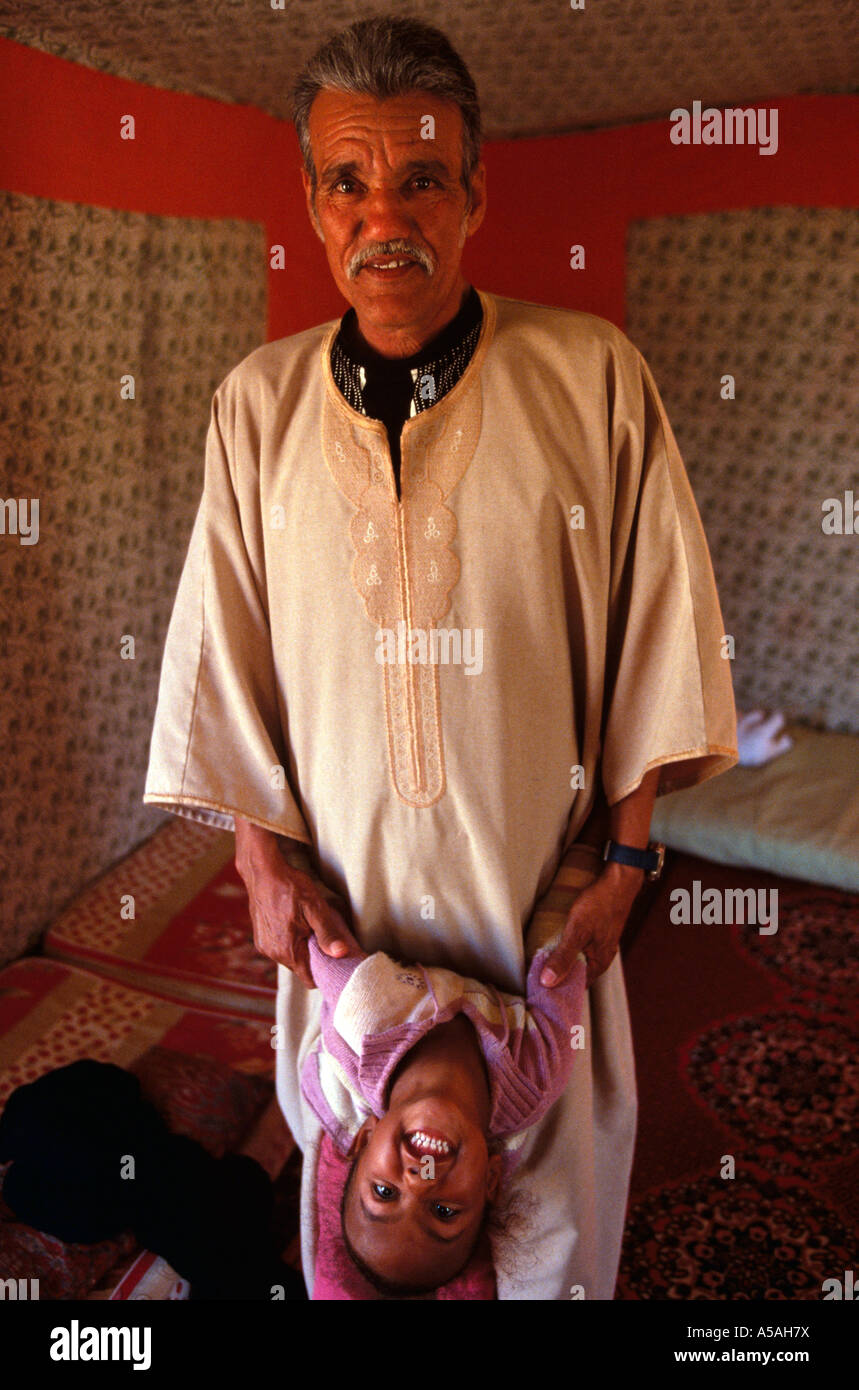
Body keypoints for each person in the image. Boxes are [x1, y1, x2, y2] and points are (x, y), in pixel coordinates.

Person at [143, 16, 738, 1299]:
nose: (383, 213)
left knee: (548, 1239)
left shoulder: (593, 379)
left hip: (542, 915)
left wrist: (626, 869)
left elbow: (662, 634)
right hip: (344, 929)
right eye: (348, 182)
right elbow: (220, 655)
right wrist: (257, 859)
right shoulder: (256, 407)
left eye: (418, 177)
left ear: (474, 194)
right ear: (311, 205)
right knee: (366, 1224)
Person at [300, 845, 593, 1297]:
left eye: (383, 1193)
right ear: (492, 1180)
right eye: (443, 1212)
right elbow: (562, 938)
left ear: (362, 1139)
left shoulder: (362, 1020)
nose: (419, 1181)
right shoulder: (535, 1072)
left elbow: (313, 906)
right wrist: (600, 837)